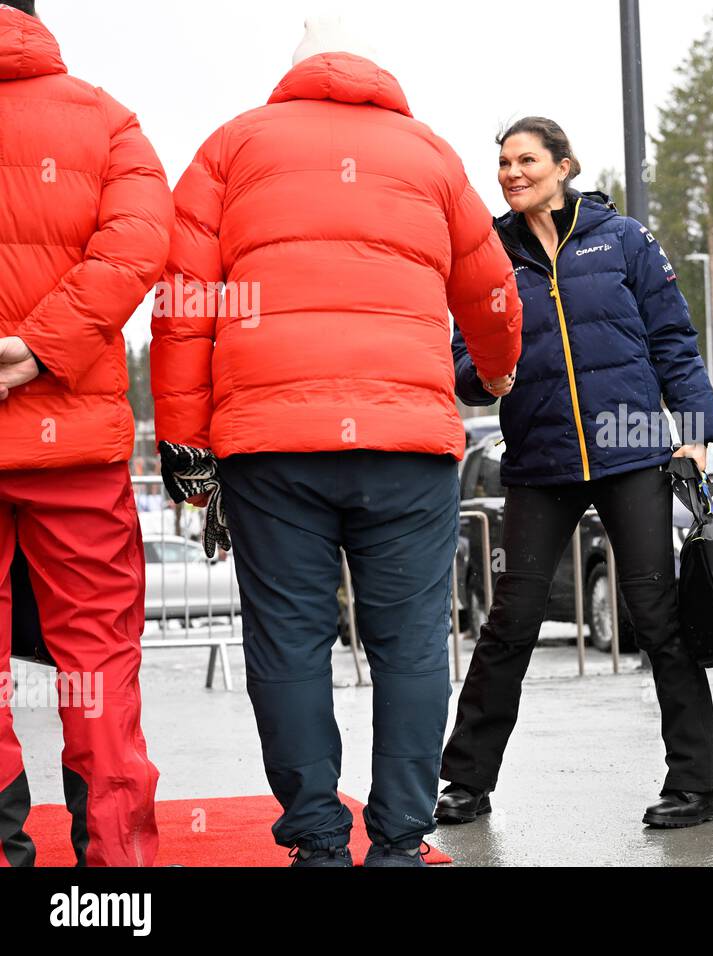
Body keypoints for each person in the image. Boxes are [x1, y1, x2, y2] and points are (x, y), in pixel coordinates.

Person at [150, 17, 521, 867]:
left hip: (271, 447)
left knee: (288, 641)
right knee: (413, 643)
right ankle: (398, 840)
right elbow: (493, 290)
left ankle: (317, 839)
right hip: (408, 444)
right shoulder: (427, 154)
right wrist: (498, 372)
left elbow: (182, 303)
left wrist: (184, 444)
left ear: (294, 75)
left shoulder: (230, 148)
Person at [437, 117, 713, 829]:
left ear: (563, 166)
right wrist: (486, 378)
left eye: (526, 159)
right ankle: (466, 784)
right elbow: (462, 360)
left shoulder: (623, 240)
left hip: (631, 453)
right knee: (510, 623)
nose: (510, 172)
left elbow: (674, 344)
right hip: (540, 460)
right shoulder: (486, 256)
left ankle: (697, 783)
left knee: (659, 618)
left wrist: (693, 438)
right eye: (502, 162)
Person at [0, 0, 172, 867]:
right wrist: (38, 347)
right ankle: (113, 876)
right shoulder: (108, 121)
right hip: (76, 437)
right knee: (100, 665)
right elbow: (139, 245)